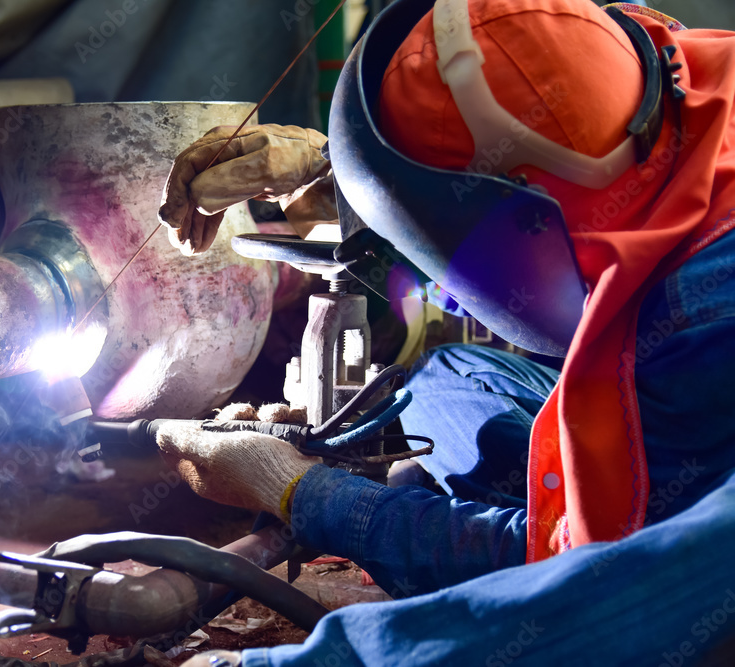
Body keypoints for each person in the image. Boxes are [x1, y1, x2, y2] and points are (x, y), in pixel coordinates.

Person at [156, 0, 735, 664]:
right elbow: (560, 108)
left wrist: (298, 490)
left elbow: (590, 580)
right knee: (448, 378)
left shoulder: (701, 325)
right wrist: (343, 171)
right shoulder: (674, 81)